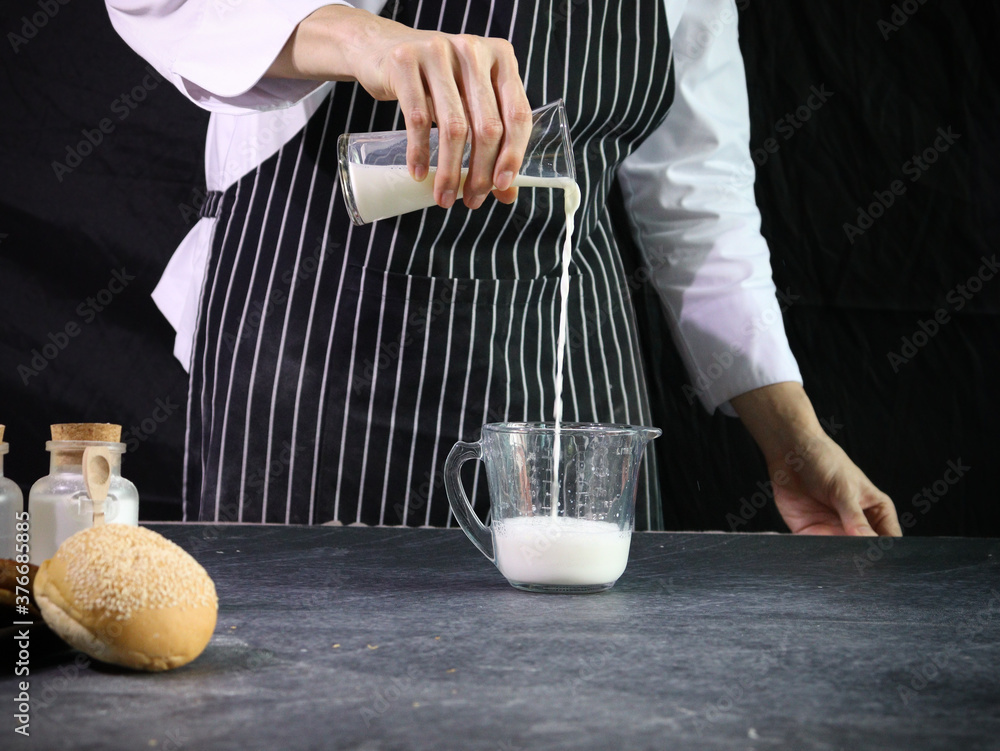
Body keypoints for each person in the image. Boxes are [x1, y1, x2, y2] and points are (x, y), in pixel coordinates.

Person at [105, 0, 901, 536]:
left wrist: (795, 442)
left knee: (586, 691)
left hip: (571, 365)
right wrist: (361, 39)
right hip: (320, 345)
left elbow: (700, 204)